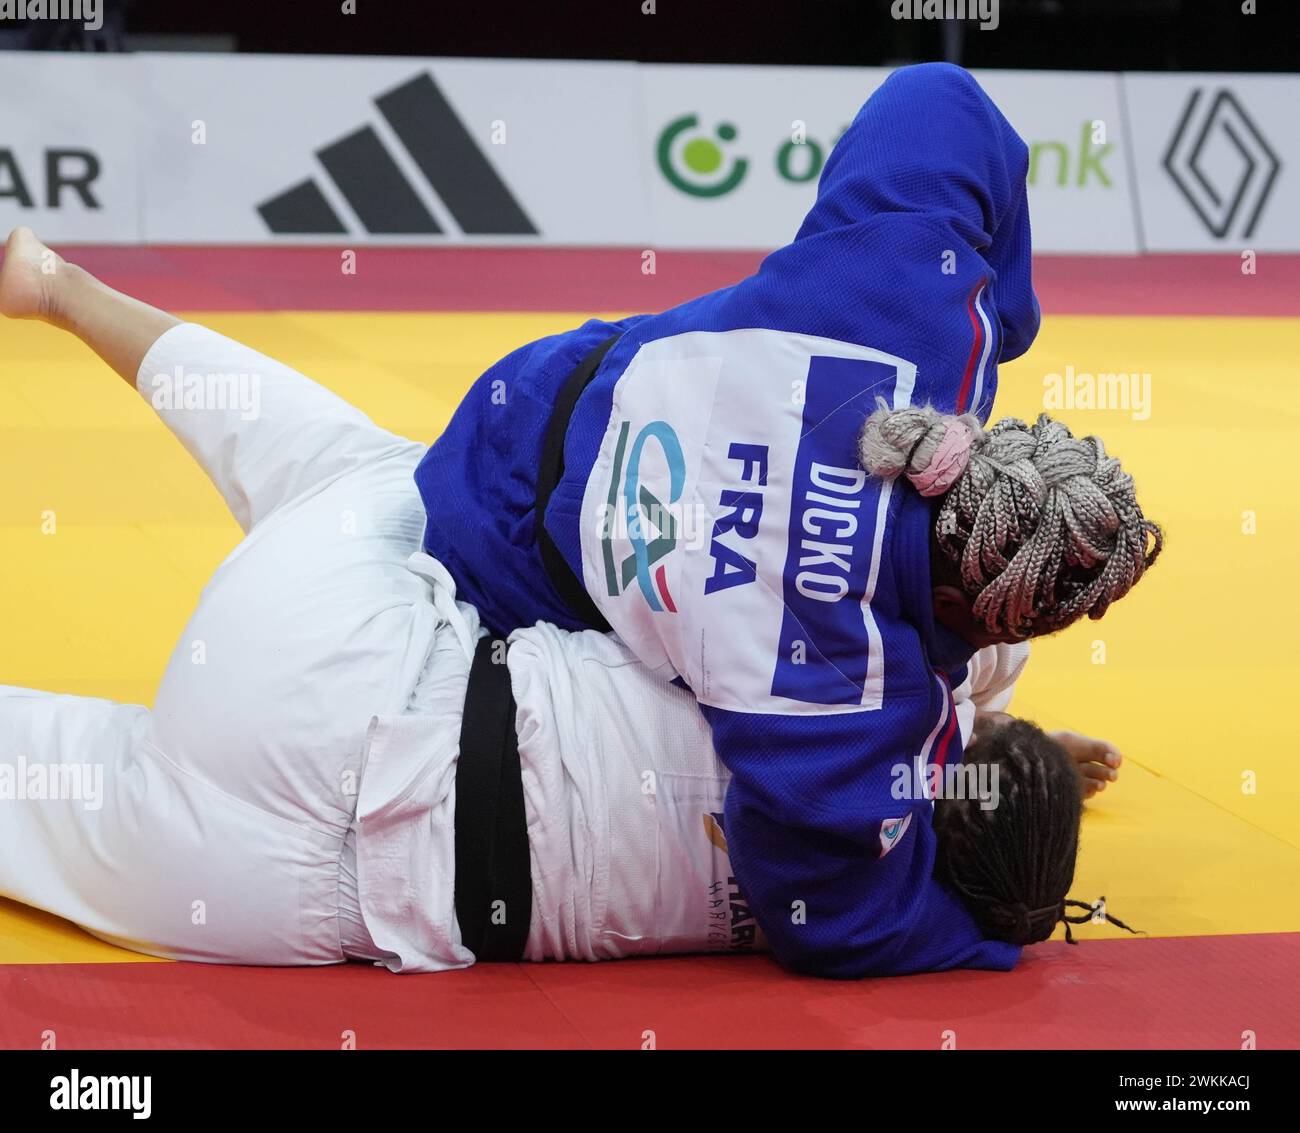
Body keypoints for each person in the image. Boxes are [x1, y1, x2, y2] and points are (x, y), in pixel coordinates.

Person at [0, 225, 1110, 970]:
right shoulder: (864, 913)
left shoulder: (865, 660)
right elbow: (950, 863)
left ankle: (54, 286)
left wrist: (1018, 750)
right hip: (301, 889)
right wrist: (1010, 830)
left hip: (358, 648)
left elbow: (945, 702)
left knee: (360, 466)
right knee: (41, 785)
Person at [408, 64, 1163, 975]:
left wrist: (997, 318)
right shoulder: (845, 695)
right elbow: (836, 921)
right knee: (708, 733)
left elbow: (939, 97)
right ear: (980, 608)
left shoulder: (909, 314)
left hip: (534, 382)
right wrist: (998, 932)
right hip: (486, 546)